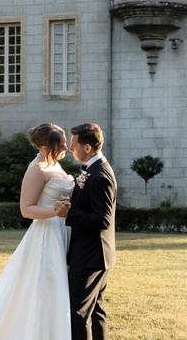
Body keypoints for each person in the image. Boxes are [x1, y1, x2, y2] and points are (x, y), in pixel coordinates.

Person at [0, 123, 74, 340]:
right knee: (45, 286)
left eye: (65, 144)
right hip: (47, 234)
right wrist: (56, 211)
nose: (66, 149)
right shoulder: (36, 169)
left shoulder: (56, 166)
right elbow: (26, 209)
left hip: (64, 231)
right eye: (60, 145)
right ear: (45, 147)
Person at [54, 122, 117, 340]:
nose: (70, 148)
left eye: (74, 145)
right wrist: (72, 205)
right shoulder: (93, 170)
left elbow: (103, 219)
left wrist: (68, 216)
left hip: (90, 256)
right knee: (96, 311)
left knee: (77, 312)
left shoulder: (99, 176)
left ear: (87, 148)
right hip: (97, 255)